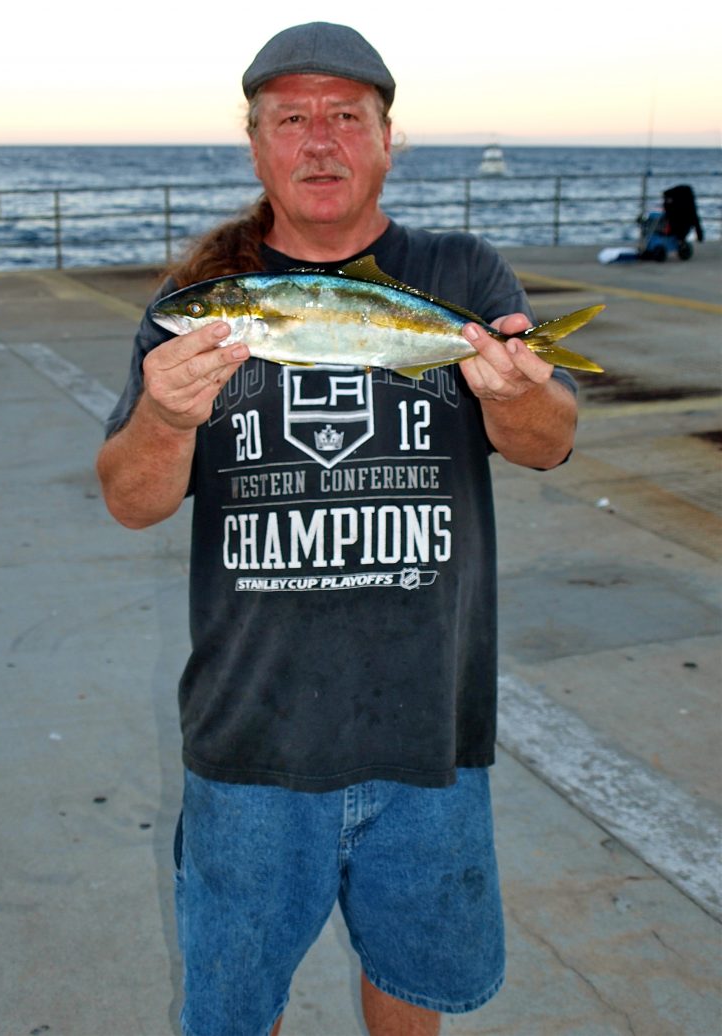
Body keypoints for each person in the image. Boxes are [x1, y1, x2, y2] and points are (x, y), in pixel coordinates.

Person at [96, 21, 578, 1036]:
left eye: (346, 117)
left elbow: (548, 440)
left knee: (412, 979)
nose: (320, 142)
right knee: (235, 1009)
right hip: (251, 738)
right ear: (257, 140)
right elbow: (130, 497)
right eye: (292, 118)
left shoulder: (460, 271)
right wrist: (167, 415)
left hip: (431, 728)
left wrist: (510, 393)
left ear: (389, 138)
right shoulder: (199, 308)